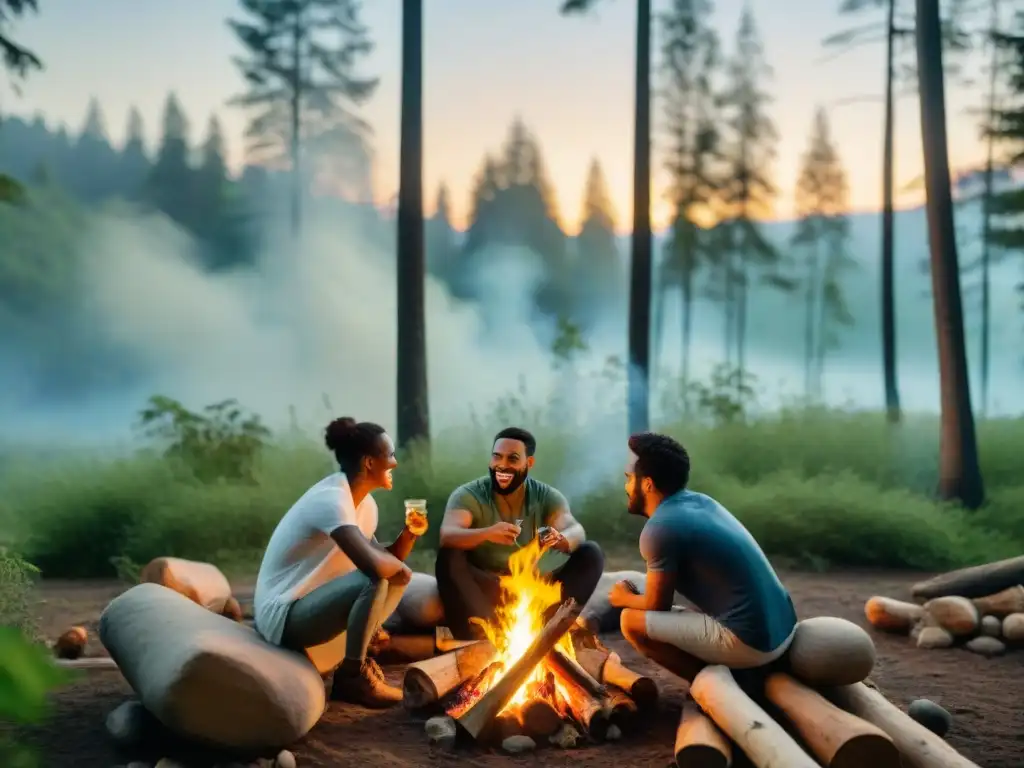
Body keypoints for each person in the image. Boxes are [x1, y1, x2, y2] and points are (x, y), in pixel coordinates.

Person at [253, 417, 427, 708]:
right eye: (390, 455)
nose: (395, 462)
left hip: (311, 606)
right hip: (282, 615)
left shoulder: (365, 505)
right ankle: (352, 677)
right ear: (369, 462)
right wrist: (388, 570)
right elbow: (375, 568)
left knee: (399, 575)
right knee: (374, 579)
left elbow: (387, 562)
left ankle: (360, 653)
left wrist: (409, 535)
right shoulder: (332, 500)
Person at [609, 432, 797, 682]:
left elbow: (657, 605)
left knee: (630, 620)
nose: (626, 487)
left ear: (648, 484)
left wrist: (623, 598)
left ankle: (718, 684)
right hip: (785, 625)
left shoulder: (659, 528)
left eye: (629, 478)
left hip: (753, 644)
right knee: (656, 597)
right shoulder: (702, 502)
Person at [435, 426, 605, 640]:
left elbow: (576, 530)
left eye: (512, 459)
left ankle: (548, 631)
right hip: (485, 592)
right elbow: (448, 534)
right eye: (497, 457)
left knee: (591, 553)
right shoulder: (469, 495)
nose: (502, 465)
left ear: (529, 463)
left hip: (532, 590)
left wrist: (561, 538)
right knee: (449, 555)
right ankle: (483, 635)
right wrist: (487, 533)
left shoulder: (545, 496)